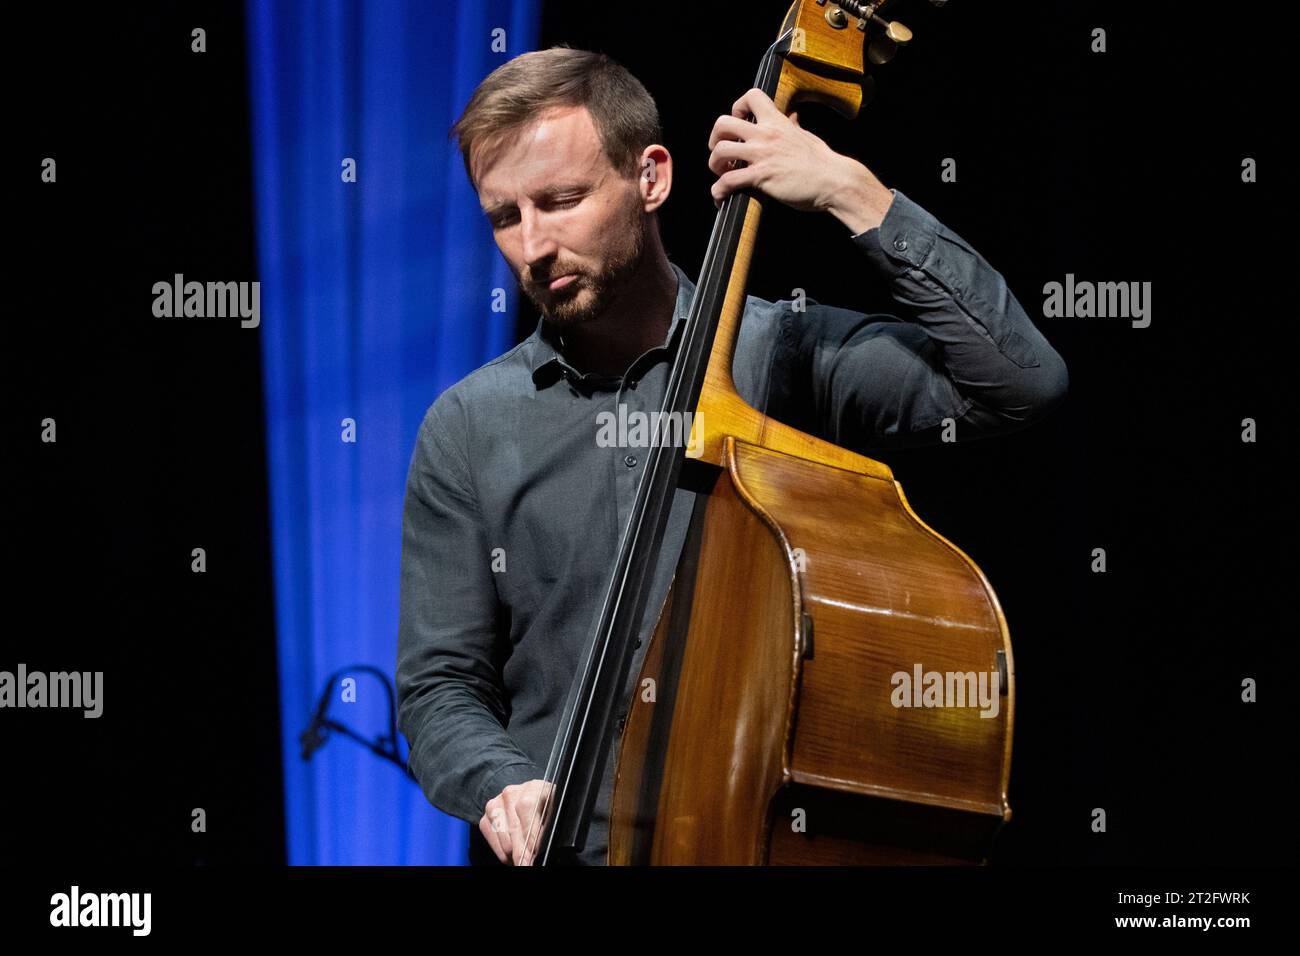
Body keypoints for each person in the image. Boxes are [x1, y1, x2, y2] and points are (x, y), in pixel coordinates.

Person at [395, 46, 1067, 866]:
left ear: (650, 177)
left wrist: (850, 193)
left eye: (562, 201)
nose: (532, 247)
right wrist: (500, 780)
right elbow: (439, 686)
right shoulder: (468, 426)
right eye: (505, 216)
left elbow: (1020, 383)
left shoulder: (787, 353)